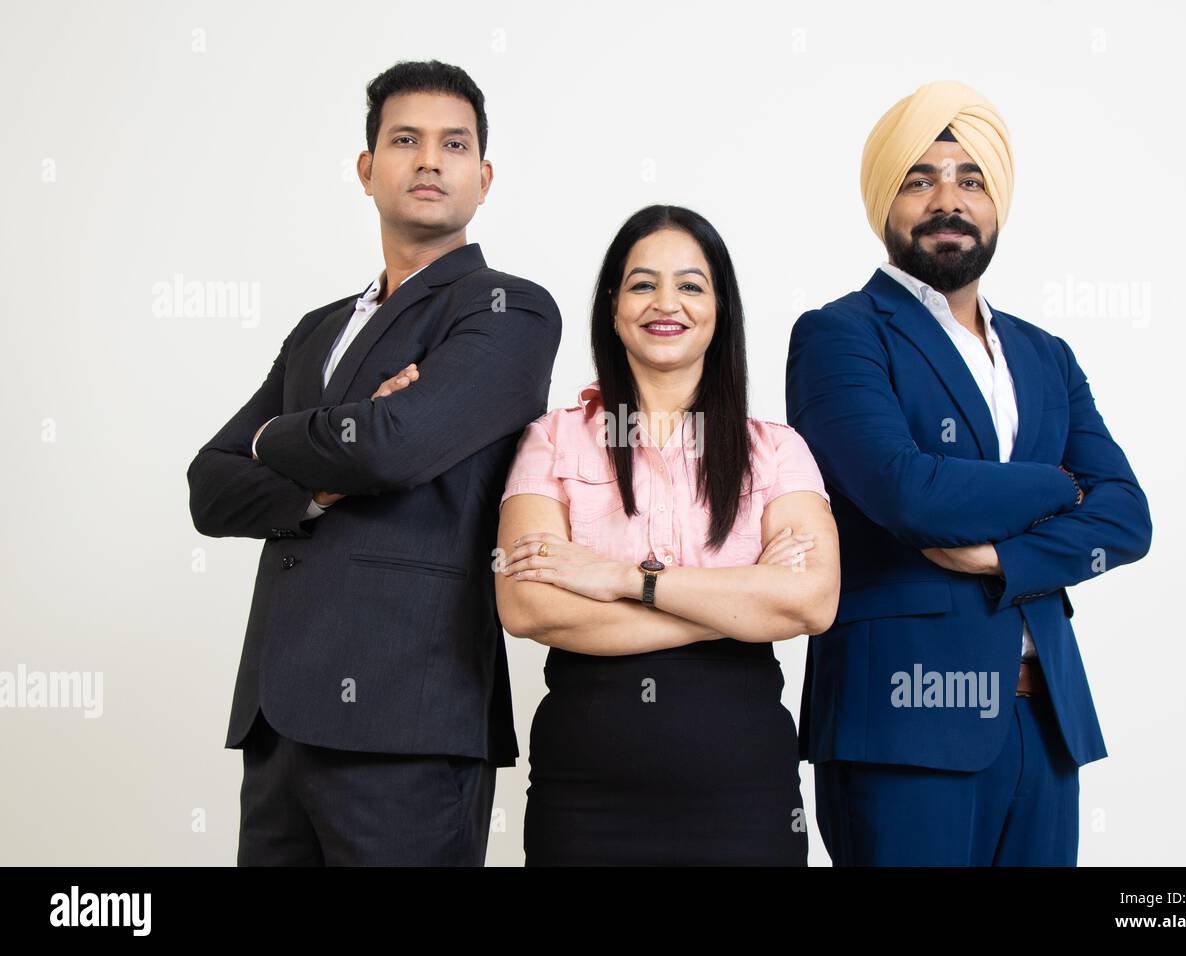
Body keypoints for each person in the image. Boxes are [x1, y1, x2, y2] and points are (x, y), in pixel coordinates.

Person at [186, 59, 562, 865]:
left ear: (484, 176)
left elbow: (400, 447)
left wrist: (278, 437)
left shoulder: (509, 308)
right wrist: (329, 456)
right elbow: (210, 487)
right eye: (406, 140)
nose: (430, 160)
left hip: (408, 721)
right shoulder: (317, 330)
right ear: (367, 169)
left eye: (453, 144)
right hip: (276, 725)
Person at [786, 80, 1152, 866]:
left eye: (970, 179)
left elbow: (1127, 517)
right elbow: (907, 493)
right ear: (886, 202)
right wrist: (1060, 487)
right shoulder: (839, 335)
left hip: (1043, 721)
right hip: (903, 723)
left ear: (997, 205)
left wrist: (1000, 557)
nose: (947, 199)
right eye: (920, 179)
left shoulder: (1045, 355)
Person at [495, 204, 840, 865]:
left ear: (720, 308)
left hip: (746, 791)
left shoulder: (777, 450)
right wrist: (739, 607)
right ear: (613, 305)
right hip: (587, 795)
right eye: (642, 282)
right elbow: (526, 604)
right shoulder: (553, 439)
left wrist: (624, 580)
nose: (666, 302)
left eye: (690, 284)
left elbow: (812, 602)